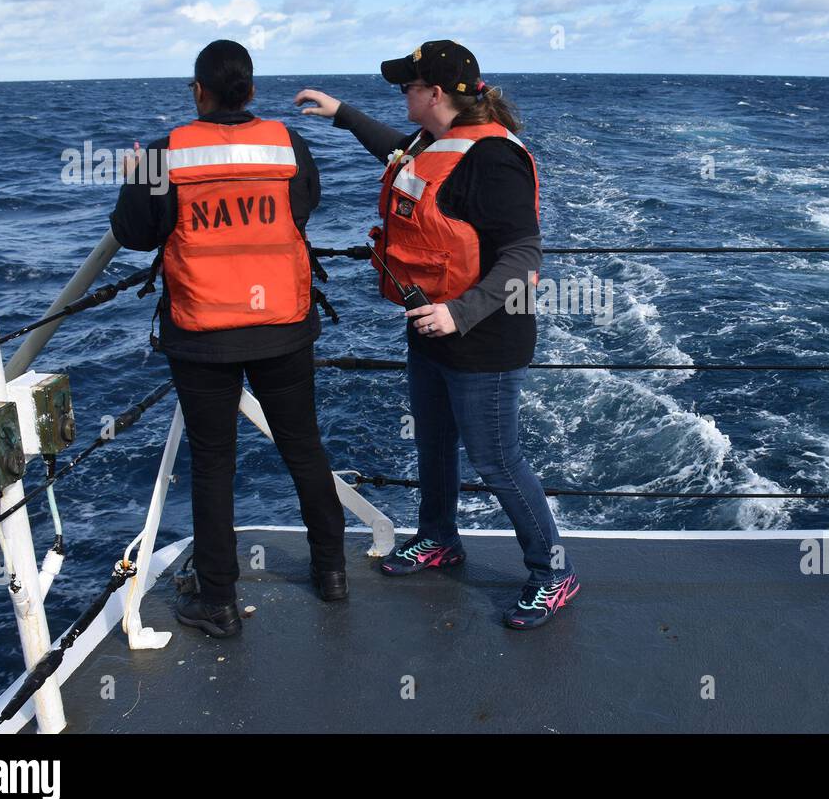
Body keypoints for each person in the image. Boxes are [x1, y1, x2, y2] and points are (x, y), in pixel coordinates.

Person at [294, 40, 578, 629]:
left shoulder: (493, 159)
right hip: (429, 328)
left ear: (436, 94)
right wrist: (341, 113)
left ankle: (553, 572)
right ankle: (439, 538)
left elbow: (523, 255)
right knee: (433, 444)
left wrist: (461, 312)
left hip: (483, 336)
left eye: (409, 86)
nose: (403, 94)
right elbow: (395, 155)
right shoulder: (431, 143)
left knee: (497, 459)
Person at [110, 39, 349, 639]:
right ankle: (332, 573)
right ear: (251, 92)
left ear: (198, 91)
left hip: (204, 333)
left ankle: (217, 599)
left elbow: (135, 234)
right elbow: (306, 207)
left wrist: (137, 178)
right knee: (304, 447)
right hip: (285, 324)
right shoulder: (287, 143)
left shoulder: (166, 155)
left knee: (214, 464)